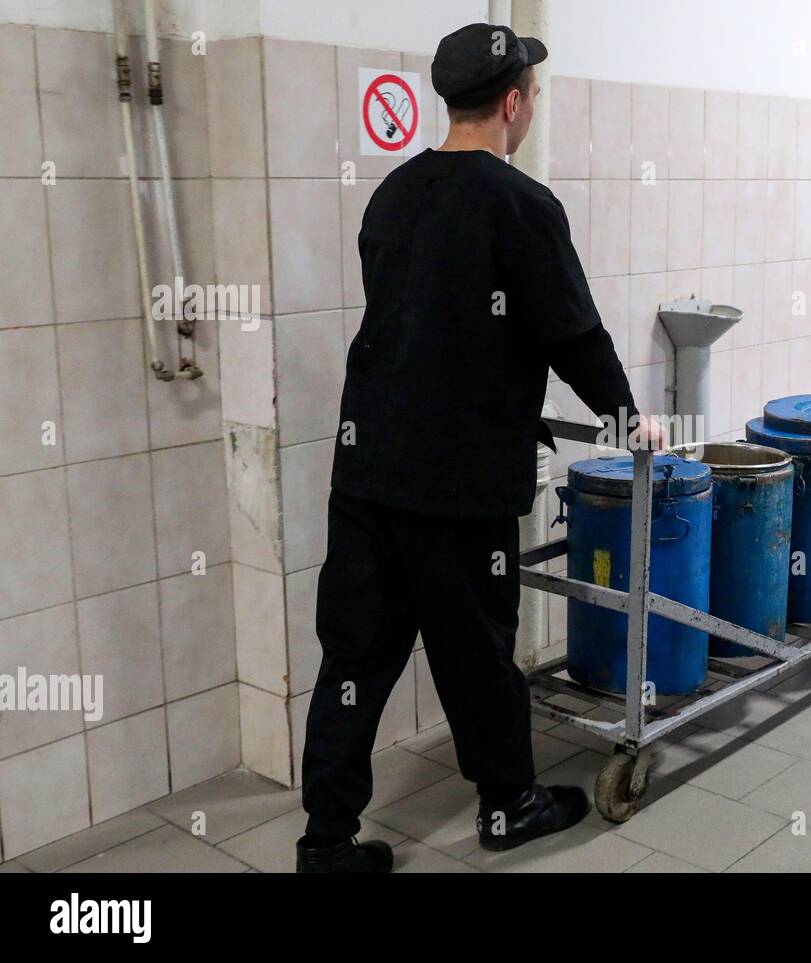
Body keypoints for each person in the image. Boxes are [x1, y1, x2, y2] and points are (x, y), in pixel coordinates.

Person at [296, 22, 662, 873]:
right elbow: (572, 331)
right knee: (475, 655)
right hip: (456, 487)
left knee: (354, 657)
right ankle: (509, 806)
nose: (532, 106)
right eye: (532, 94)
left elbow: (429, 325)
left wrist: (504, 402)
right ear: (511, 104)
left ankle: (325, 841)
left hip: (366, 470)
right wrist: (624, 414)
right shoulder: (523, 205)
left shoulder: (393, 195)